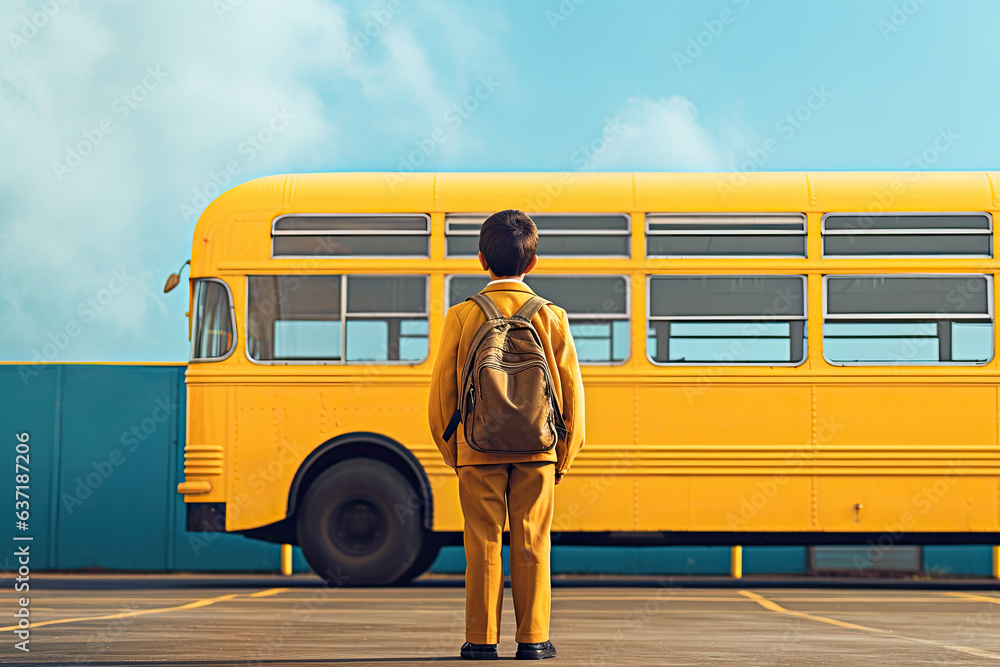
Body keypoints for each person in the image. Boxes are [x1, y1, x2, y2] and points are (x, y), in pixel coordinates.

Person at [429, 209, 586, 661]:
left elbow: (442, 392)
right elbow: (571, 391)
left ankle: (480, 641)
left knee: (481, 540)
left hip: (477, 447)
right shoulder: (552, 316)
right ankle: (534, 640)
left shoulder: (461, 315)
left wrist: (453, 449)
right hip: (539, 447)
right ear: (532, 264)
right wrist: (564, 454)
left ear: (482, 260)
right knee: (534, 538)